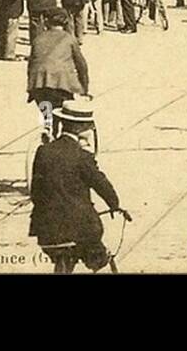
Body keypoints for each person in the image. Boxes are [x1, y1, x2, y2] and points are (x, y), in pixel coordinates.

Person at [28, 101, 126, 273]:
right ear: (84, 128)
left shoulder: (42, 151)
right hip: (79, 230)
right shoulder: (82, 156)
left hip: (46, 230)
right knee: (98, 256)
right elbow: (100, 183)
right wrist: (114, 204)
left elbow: (35, 191)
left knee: (66, 257)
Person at [27, 9, 91, 136]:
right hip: (61, 84)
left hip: (39, 84)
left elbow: (31, 65)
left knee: (47, 110)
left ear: (46, 23)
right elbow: (82, 66)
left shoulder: (38, 38)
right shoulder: (69, 39)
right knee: (65, 113)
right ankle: (63, 138)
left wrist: (31, 89)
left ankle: (48, 127)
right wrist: (84, 89)